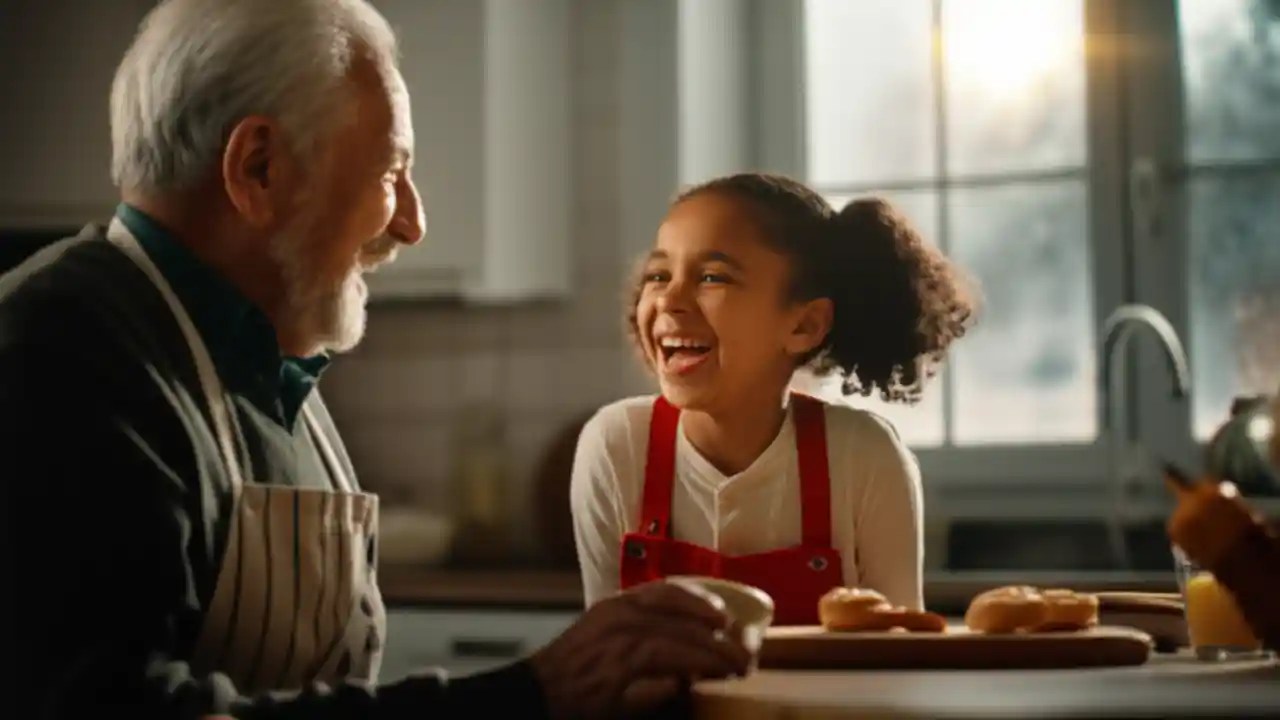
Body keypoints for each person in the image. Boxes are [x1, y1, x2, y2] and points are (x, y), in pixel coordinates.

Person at [0, 0, 749, 718]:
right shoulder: (58, 355)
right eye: (391, 173)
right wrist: (533, 695)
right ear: (258, 169)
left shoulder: (268, 362)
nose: (413, 223)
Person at [570, 173, 977, 623]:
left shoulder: (865, 458)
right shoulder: (616, 446)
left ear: (804, 325)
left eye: (711, 277)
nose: (669, 300)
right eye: (659, 275)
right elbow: (604, 662)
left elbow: (897, 654)